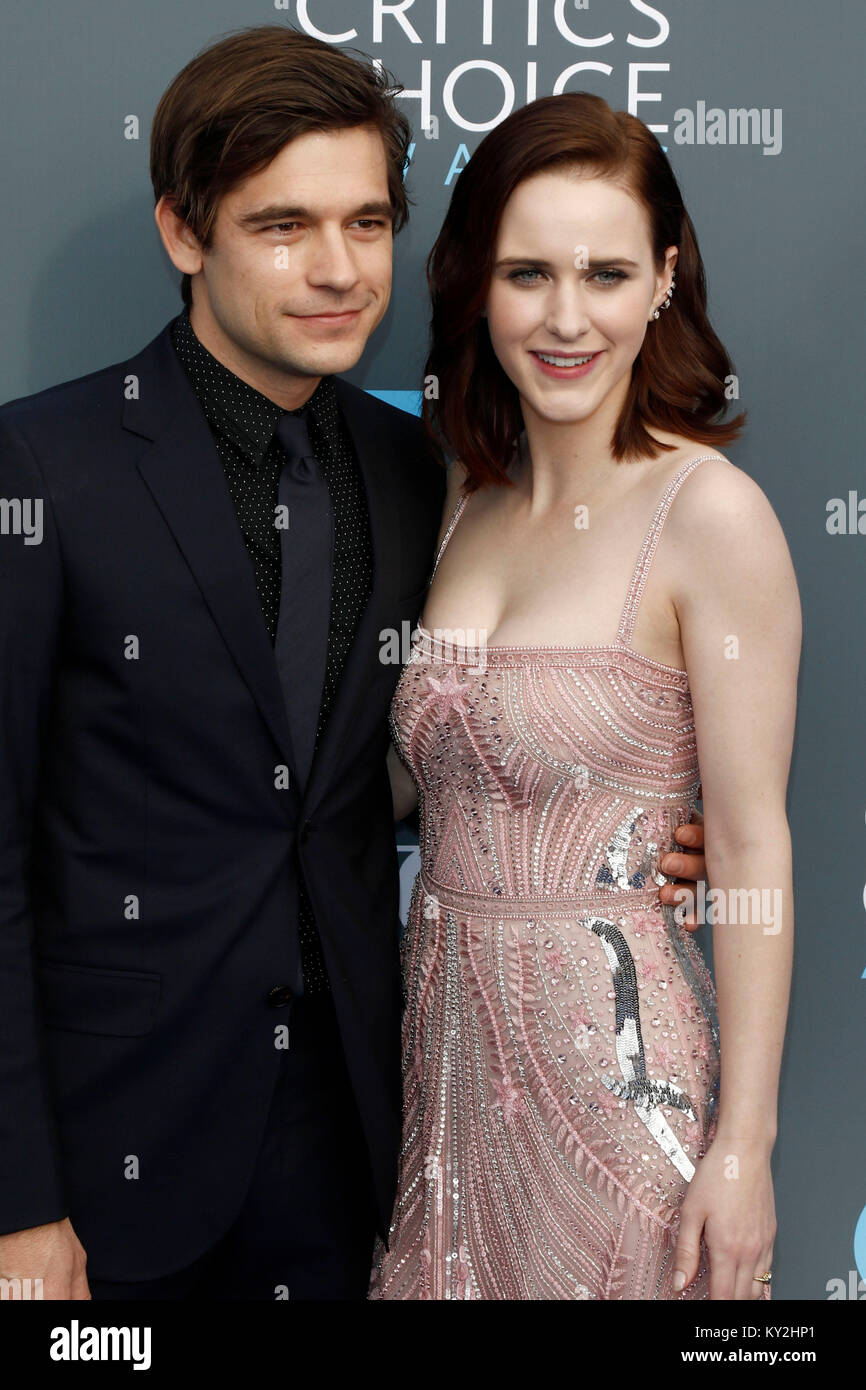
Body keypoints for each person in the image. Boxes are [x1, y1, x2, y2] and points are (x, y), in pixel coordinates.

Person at [0, 29, 711, 1302]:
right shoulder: (43, 468)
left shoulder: (420, 474)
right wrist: (17, 1203)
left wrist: (622, 817)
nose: (337, 272)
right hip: (111, 1162)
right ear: (183, 233)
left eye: (368, 223)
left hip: (367, 1144)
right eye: (282, 228)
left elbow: (407, 755)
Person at [368, 91, 799, 1301]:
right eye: (526, 274)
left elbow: (755, 837)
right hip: (442, 1088)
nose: (566, 319)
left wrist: (742, 1148)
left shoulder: (706, 513)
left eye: (605, 273)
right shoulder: (460, 497)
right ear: (475, 287)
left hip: (621, 1089)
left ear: (663, 280)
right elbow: (413, 775)